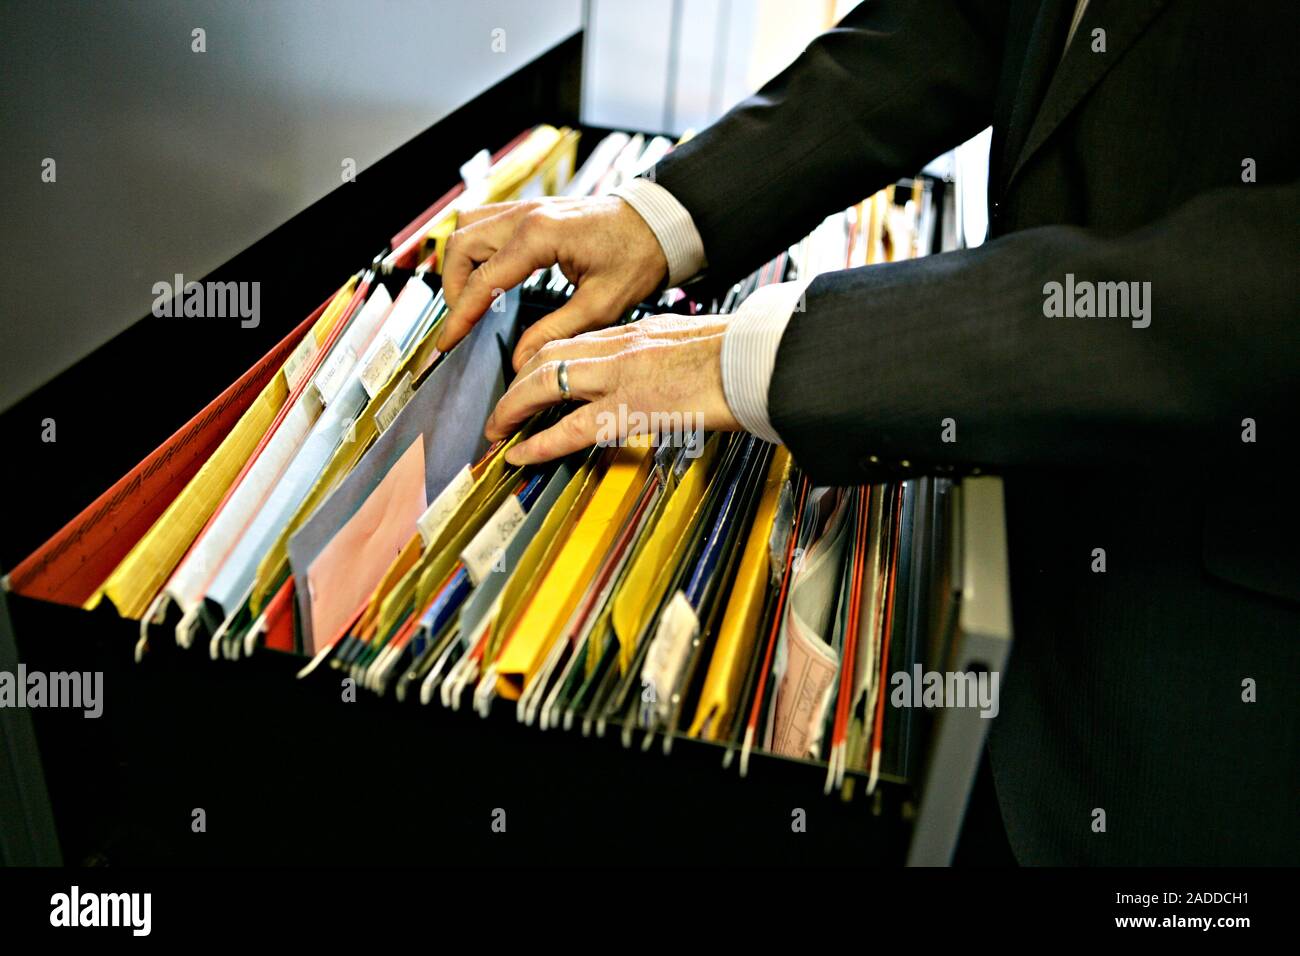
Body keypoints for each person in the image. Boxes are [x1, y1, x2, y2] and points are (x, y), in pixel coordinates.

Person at [436, 0, 1299, 864]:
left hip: (1186, 707)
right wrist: (660, 217)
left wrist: (774, 358)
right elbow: (970, 20)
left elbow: (1259, 284)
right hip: (1002, 565)